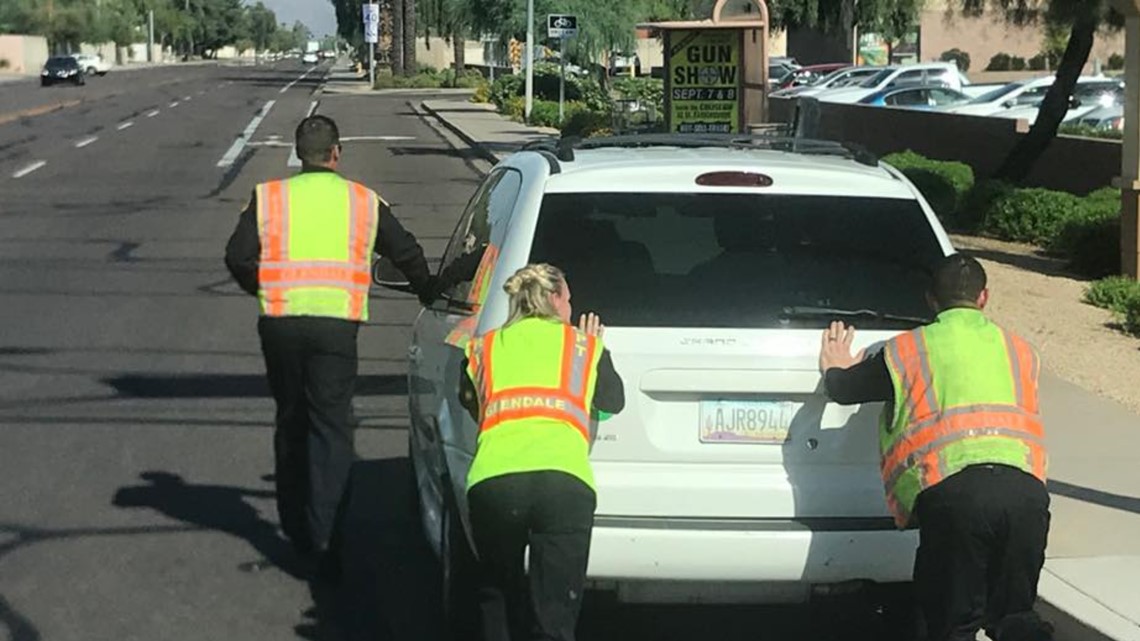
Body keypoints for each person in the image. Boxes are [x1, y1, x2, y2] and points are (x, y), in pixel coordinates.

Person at [224, 115, 437, 580]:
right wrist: (430, 293)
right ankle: (326, 535)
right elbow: (406, 251)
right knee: (331, 429)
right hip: (336, 328)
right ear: (336, 153)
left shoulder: (269, 198)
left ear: (300, 153)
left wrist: (266, 289)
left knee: (291, 422)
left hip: (280, 324)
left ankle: (298, 530)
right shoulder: (363, 201)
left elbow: (237, 256)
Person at [818, 253, 1052, 641]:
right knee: (1016, 619)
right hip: (1026, 497)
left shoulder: (907, 350)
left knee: (950, 622)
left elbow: (845, 389)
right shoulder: (1020, 350)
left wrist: (834, 366)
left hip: (955, 497)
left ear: (930, 300)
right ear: (984, 298)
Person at [458, 263, 625, 641]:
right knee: (554, 612)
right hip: (563, 484)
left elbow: (467, 397)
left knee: (495, 595)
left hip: (494, 482)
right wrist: (595, 346)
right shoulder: (585, 347)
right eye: (568, 297)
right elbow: (613, 401)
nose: (571, 305)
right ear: (553, 299)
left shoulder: (484, 347)